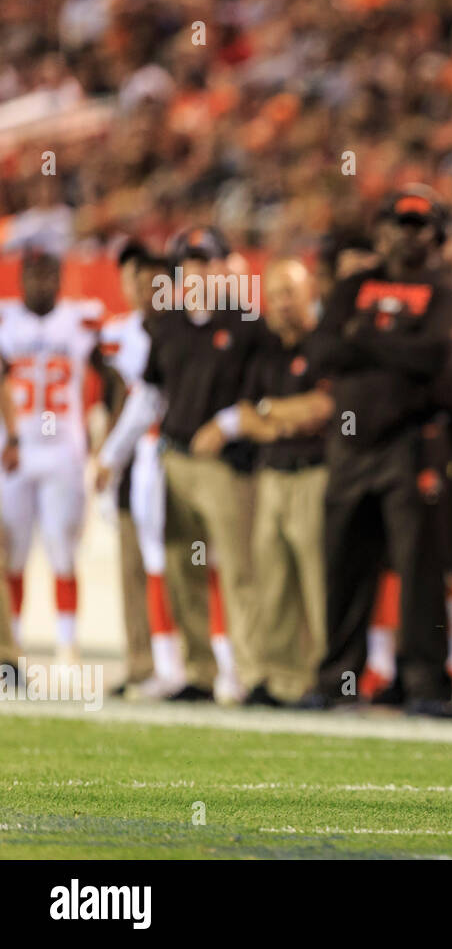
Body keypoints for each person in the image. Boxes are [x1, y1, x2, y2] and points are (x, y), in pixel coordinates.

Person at [300, 188, 452, 716]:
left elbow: (438, 354)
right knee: (343, 564)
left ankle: (424, 683)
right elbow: (319, 351)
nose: (407, 232)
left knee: (419, 569)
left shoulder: (447, 289)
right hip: (350, 447)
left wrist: (364, 337)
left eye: (418, 224)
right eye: (399, 222)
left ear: (435, 234)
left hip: (412, 443)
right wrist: (395, 342)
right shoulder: (354, 283)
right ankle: (339, 680)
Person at [95, 225, 270, 703]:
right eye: (188, 262)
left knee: (238, 568)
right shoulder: (166, 322)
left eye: (204, 260)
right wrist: (113, 454)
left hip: (225, 466)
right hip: (174, 459)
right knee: (181, 567)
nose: (196, 269)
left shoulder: (246, 322)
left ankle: (254, 672)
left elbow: (264, 396)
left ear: (221, 266)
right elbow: (150, 394)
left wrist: (231, 424)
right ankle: (199, 670)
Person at [191, 258, 329, 706]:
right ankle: (282, 680)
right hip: (272, 476)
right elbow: (249, 414)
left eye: (289, 293)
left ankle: (325, 679)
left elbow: (322, 409)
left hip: (315, 475)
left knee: (318, 583)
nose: (281, 304)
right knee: (272, 582)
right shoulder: (267, 350)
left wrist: (272, 414)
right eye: (274, 296)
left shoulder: (328, 342)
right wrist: (279, 418)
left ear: (310, 292)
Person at [0, 245, 117, 667]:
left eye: (49, 275)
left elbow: (115, 377)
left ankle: (67, 648)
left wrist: (107, 436)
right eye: (34, 275)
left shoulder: (80, 320)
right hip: (14, 452)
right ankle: (10, 649)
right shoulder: (6, 319)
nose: (41, 283)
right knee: (11, 555)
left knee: (62, 552)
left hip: (64, 451)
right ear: (20, 280)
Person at [100, 245, 183, 697]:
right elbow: (119, 400)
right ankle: (143, 662)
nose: (143, 290)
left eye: (152, 282)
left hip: (171, 449)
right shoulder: (117, 333)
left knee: (182, 560)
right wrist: (109, 456)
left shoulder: (182, 329)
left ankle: (190, 662)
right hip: (139, 456)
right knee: (139, 561)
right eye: (136, 280)